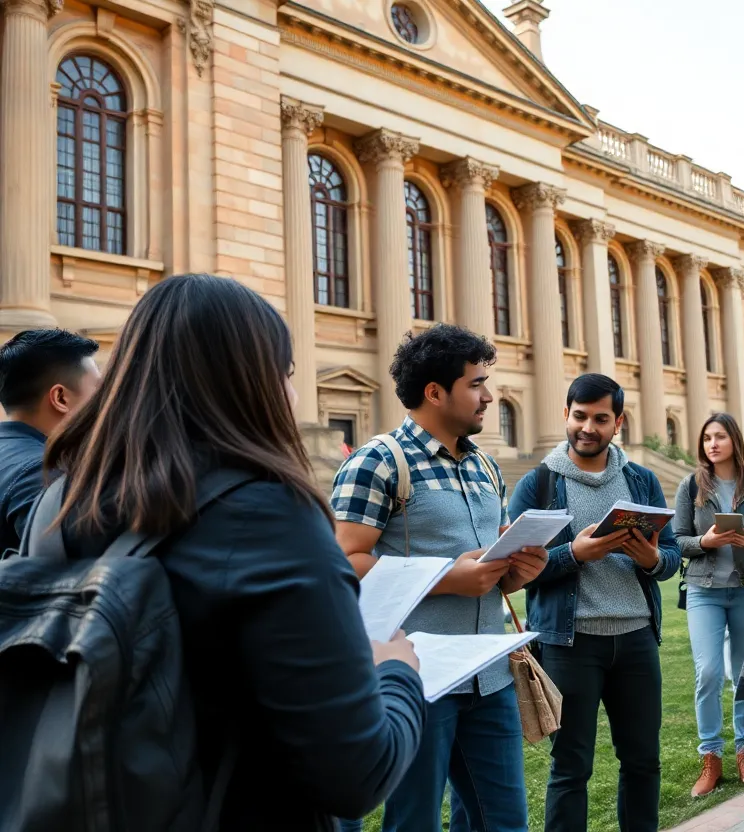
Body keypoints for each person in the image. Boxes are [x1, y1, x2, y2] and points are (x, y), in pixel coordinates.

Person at [36, 274, 426, 827]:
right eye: (288, 375)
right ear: (253, 383)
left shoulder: (63, 499)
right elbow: (356, 772)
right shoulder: (270, 514)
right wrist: (397, 673)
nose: (293, 396)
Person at [331, 324, 547, 832]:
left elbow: (485, 568)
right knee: (415, 822)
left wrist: (517, 572)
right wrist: (451, 578)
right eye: (475, 384)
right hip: (418, 678)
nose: (488, 396)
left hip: (490, 676)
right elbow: (345, 564)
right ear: (435, 392)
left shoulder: (486, 467)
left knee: (505, 823)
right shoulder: (378, 462)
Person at [507, 373, 679, 832]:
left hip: (637, 640)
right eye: (580, 416)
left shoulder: (641, 481)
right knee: (571, 768)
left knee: (643, 760)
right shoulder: (537, 485)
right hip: (569, 644)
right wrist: (573, 555)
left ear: (617, 423)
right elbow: (515, 571)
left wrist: (653, 558)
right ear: (565, 415)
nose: (588, 427)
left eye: (600, 418)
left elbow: (673, 557)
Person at [672, 412, 744, 796]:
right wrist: (705, 543)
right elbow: (676, 540)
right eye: (707, 437)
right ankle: (711, 756)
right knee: (709, 672)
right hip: (703, 591)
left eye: (720, 436)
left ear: (734, 441)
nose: (712, 443)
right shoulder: (691, 485)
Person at [0, 329, 101, 555]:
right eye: (98, 389)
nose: (106, 402)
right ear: (61, 398)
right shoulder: (42, 473)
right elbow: (74, 569)